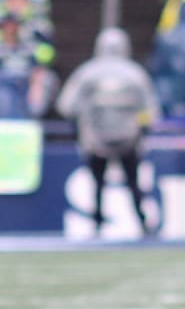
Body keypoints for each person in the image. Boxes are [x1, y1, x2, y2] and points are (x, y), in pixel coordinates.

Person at [55, 27, 160, 236]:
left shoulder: (87, 72)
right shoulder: (135, 74)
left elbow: (66, 106)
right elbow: (151, 110)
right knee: (132, 182)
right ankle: (143, 223)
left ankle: (97, 223)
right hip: (128, 137)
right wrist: (140, 126)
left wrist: (88, 115)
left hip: (96, 138)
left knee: (98, 183)